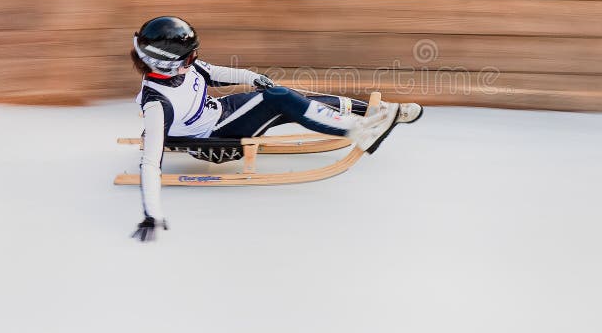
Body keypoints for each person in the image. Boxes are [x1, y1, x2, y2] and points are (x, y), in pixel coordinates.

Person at [129, 16, 423, 242]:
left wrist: (253, 77)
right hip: (218, 140)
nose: (194, 60)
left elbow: (213, 71)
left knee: (290, 96)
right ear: (164, 64)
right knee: (279, 99)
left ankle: (374, 113)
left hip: (221, 113)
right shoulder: (156, 104)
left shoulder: (183, 64)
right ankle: (359, 130)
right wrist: (151, 214)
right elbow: (151, 162)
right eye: (189, 57)